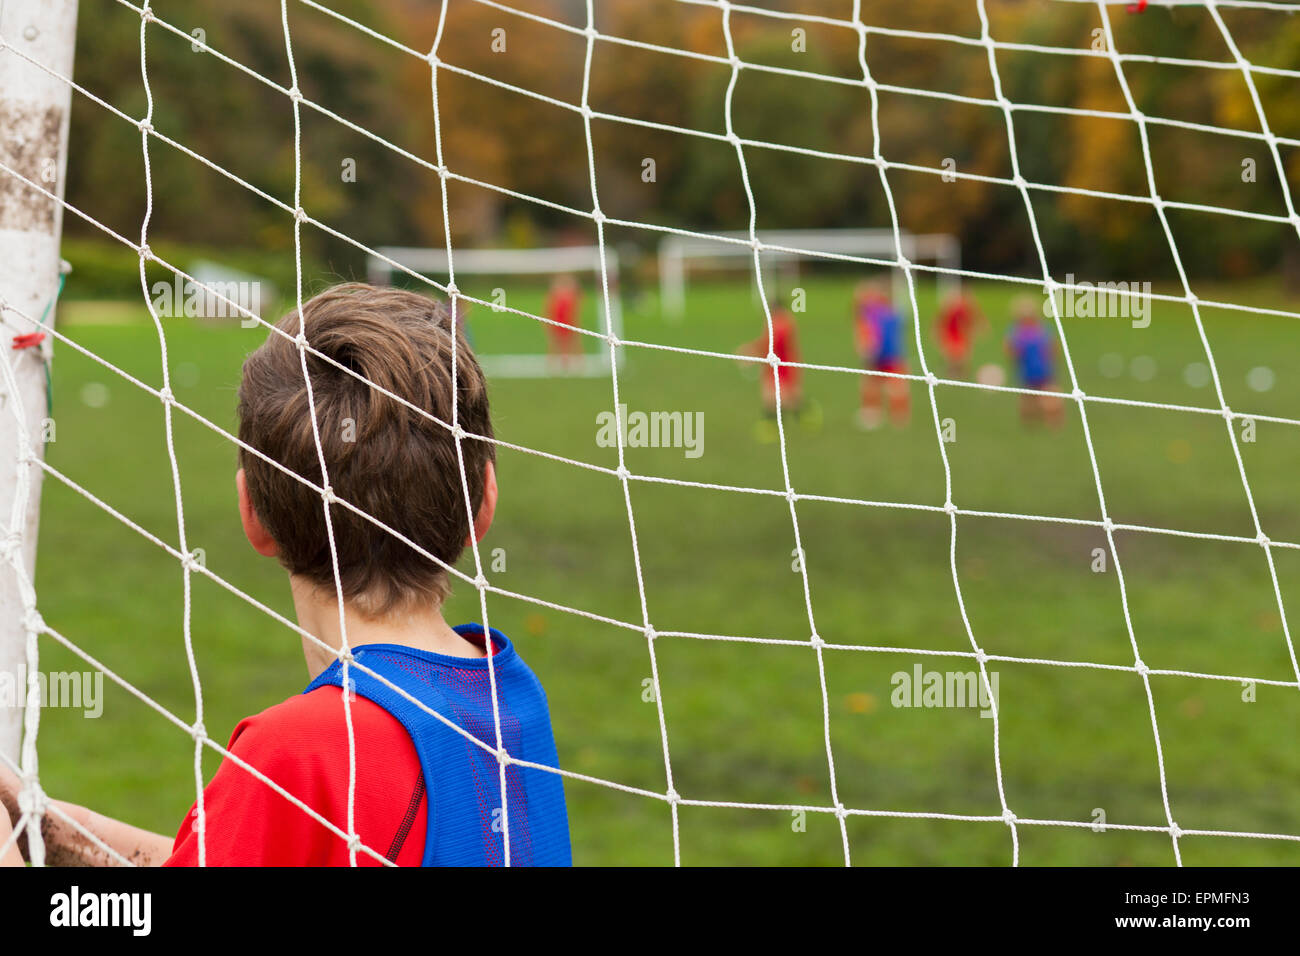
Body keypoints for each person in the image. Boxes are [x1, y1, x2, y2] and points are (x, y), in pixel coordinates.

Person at [0, 283, 572, 866]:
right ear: (484, 501)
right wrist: (60, 829)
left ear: (252, 512)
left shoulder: (301, 754)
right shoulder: (514, 704)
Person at [736, 298, 819, 443]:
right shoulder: (779, 322)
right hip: (776, 365)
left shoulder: (781, 324)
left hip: (784, 365)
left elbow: (770, 344)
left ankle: (800, 417)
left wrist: (751, 353)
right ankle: (777, 424)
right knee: (775, 397)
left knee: (782, 397)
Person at [854, 281, 910, 429]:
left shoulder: (892, 313)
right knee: (871, 385)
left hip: (892, 355)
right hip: (877, 355)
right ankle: (872, 413)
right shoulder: (871, 312)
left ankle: (899, 415)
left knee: (896, 387)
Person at [1006, 295, 1064, 428]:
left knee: (1051, 400)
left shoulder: (1042, 329)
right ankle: (1032, 425)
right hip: (1027, 370)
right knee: (1028, 401)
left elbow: (1053, 348)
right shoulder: (1016, 331)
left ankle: (1053, 423)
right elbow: (1010, 350)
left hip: (1043, 369)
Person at [934, 290, 984, 380]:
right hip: (952, 334)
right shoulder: (951, 310)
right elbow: (940, 322)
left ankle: (960, 373)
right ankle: (953, 372)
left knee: (961, 356)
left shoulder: (964, 308)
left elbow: (972, 320)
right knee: (955, 355)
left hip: (960, 335)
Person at [545, 274, 582, 372]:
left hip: (568, 320)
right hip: (557, 320)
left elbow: (575, 305)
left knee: (572, 341)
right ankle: (553, 363)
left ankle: (576, 362)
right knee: (555, 342)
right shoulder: (556, 294)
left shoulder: (570, 295)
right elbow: (550, 307)